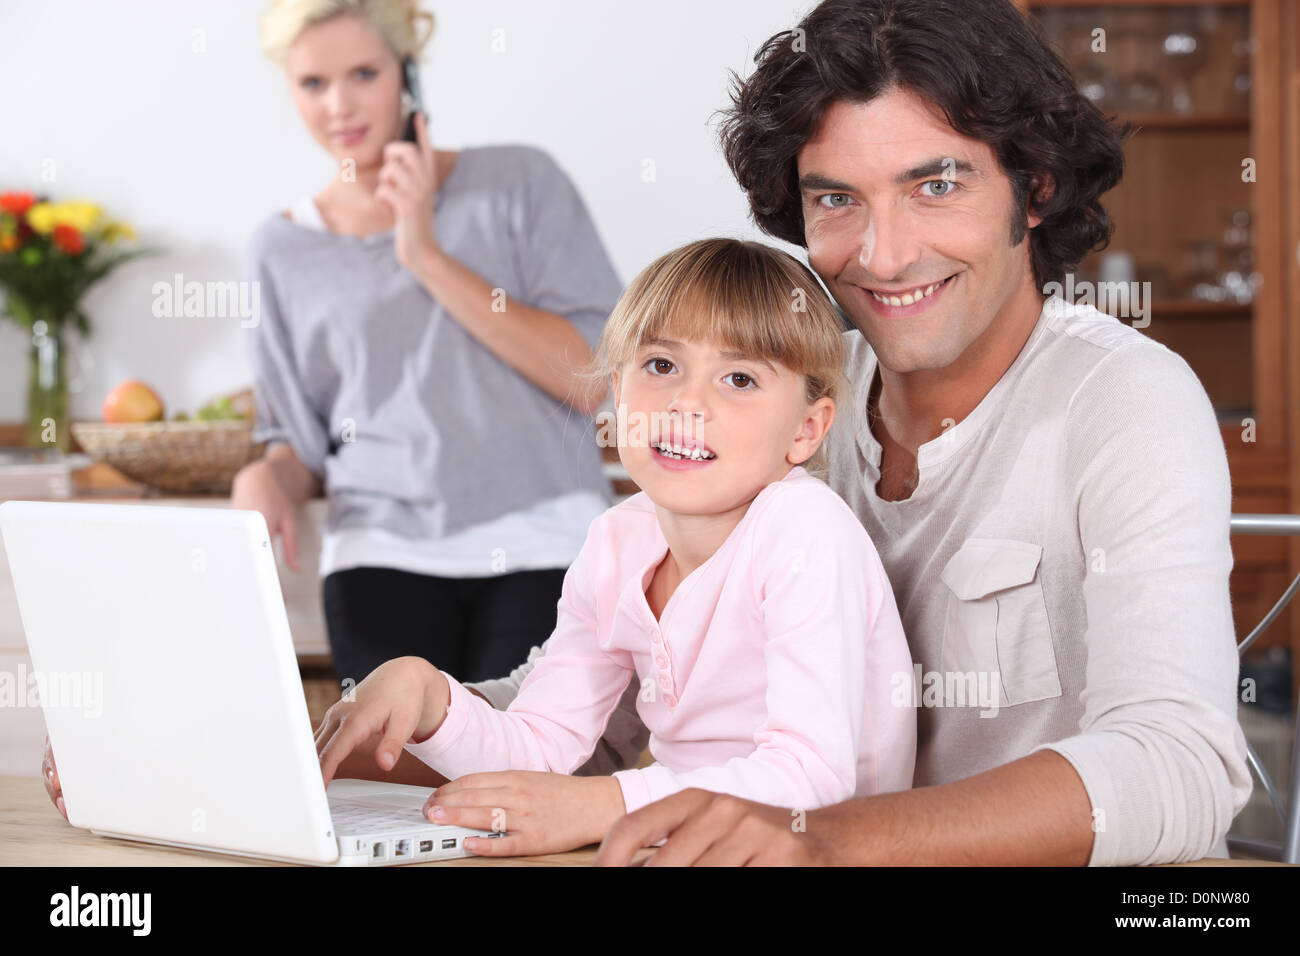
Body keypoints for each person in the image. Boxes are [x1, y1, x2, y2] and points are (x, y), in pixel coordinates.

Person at [314, 238, 917, 855]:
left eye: (739, 378)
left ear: (806, 429)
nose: (687, 402)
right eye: (661, 366)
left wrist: (609, 803)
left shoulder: (805, 529)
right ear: (618, 390)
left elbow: (809, 778)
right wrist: (433, 700)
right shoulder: (617, 540)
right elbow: (544, 747)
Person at [234, 0, 625, 687]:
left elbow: (593, 377)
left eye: (363, 73)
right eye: (313, 84)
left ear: (406, 72)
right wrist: (267, 473)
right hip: (379, 553)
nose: (339, 106)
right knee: (398, 781)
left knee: (518, 776)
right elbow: (304, 443)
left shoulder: (520, 184)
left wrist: (426, 256)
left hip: (544, 540)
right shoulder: (280, 249)